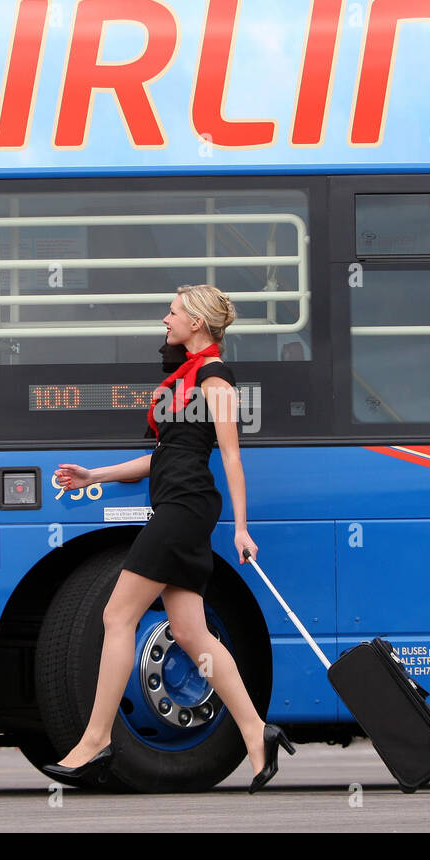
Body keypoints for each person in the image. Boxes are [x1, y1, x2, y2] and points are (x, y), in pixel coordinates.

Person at [44, 284, 294, 793]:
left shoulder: (215, 379)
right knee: (191, 634)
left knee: (117, 616)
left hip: (184, 511)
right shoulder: (184, 378)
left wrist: (242, 529)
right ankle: (255, 730)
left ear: (197, 323)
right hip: (177, 505)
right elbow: (165, 457)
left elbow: (231, 456)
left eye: (174, 313)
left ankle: (95, 741)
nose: (166, 319)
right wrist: (96, 476)